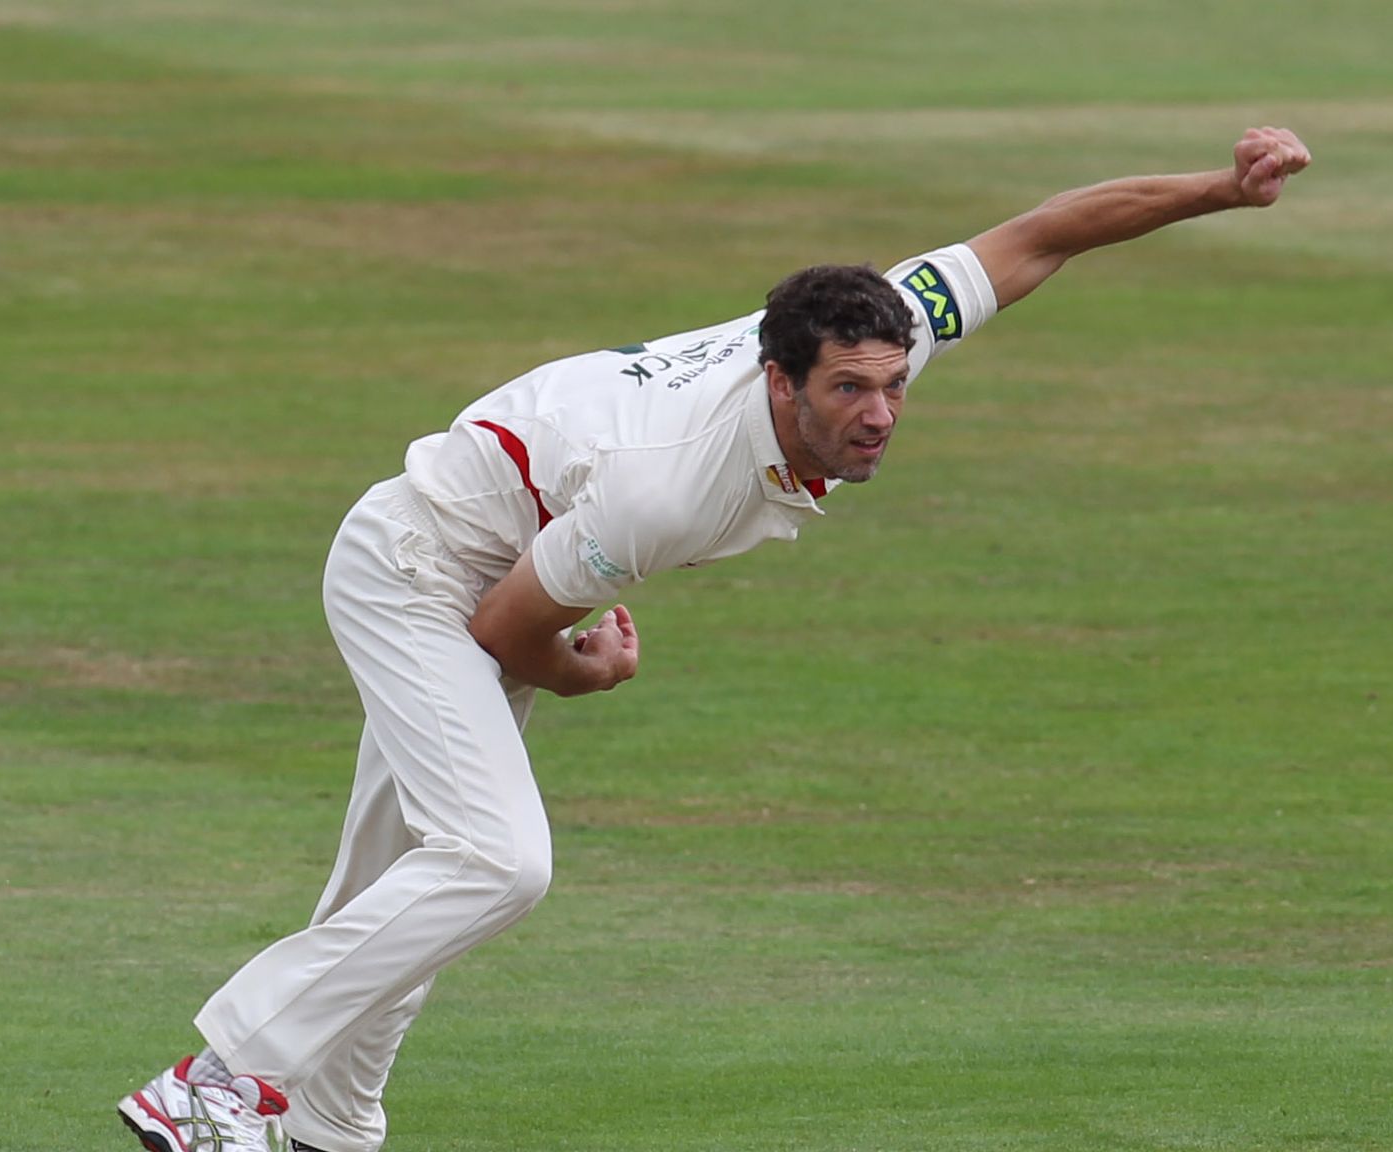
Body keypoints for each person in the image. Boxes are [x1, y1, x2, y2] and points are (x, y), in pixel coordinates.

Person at [118, 126, 1312, 1152]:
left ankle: (327, 1133)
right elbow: (506, 627)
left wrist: (1220, 187)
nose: (881, 414)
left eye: (893, 384)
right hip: (421, 572)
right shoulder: (671, 485)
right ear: (778, 378)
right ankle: (216, 1083)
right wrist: (580, 675)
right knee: (497, 863)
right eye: (849, 390)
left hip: (495, 553)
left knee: (405, 890)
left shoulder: (879, 328)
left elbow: (1045, 231)